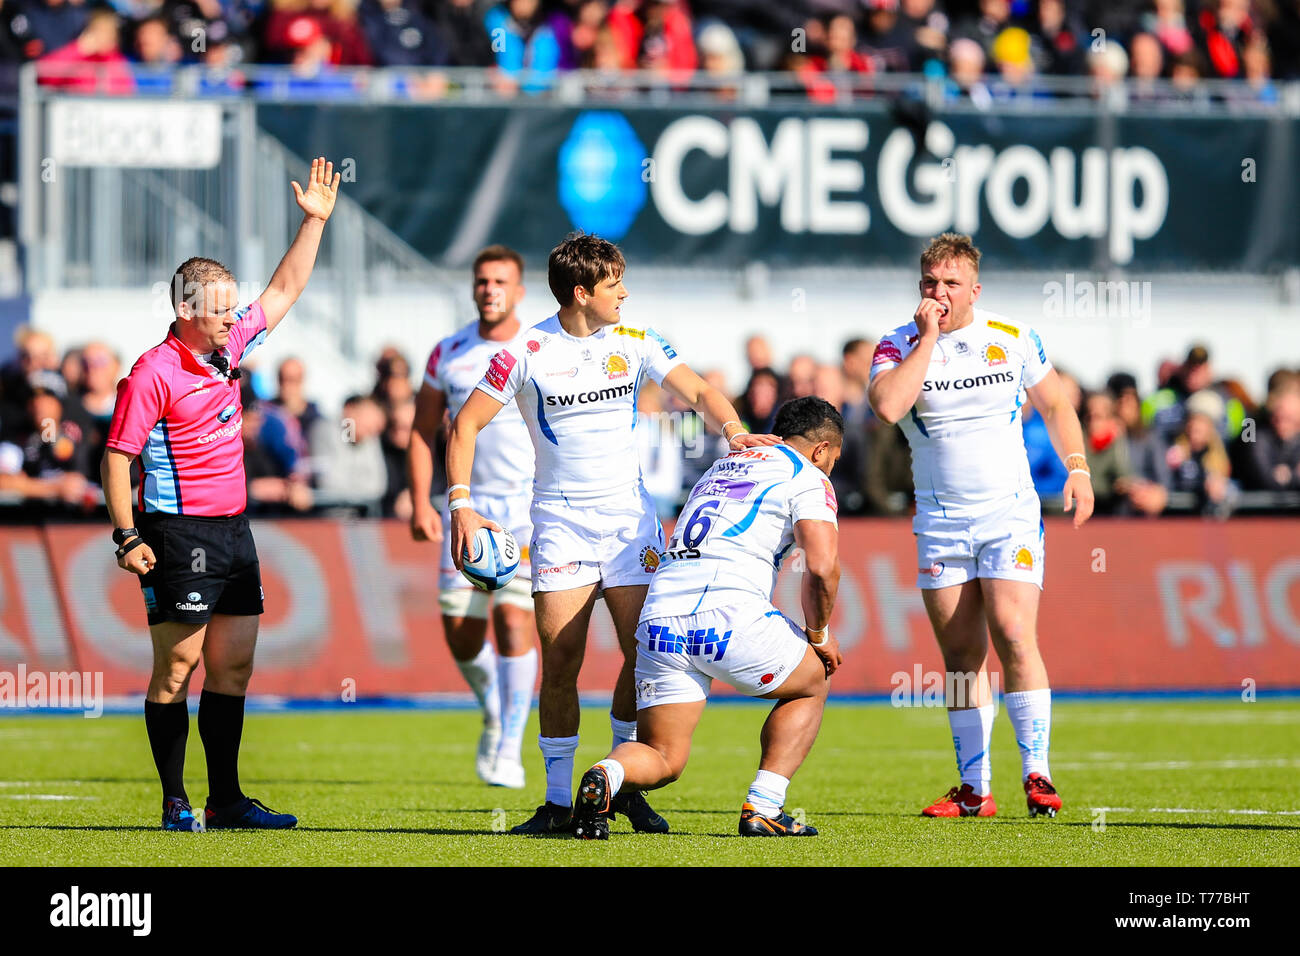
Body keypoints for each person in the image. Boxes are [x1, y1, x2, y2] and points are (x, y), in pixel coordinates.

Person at [446, 231, 778, 835]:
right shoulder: (526, 350)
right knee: (561, 662)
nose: (624, 292)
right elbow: (464, 426)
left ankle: (619, 780)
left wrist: (733, 431)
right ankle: (552, 803)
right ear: (580, 293)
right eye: (612, 284)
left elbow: (699, 389)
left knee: (643, 655)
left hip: (631, 525)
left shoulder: (637, 339)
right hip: (561, 526)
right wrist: (461, 506)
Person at [102, 157, 339, 832]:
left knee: (232, 669)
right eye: (221, 309)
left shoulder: (226, 345)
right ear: (185, 310)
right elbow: (116, 458)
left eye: (235, 307)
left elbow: (286, 289)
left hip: (234, 532)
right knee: (176, 668)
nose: (235, 318)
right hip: (178, 533)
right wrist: (128, 535)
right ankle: (176, 800)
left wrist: (313, 222)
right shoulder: (152, 372)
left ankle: (226, 801)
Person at [867, 232, 1093, 819]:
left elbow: (1056, 405)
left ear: (974, 288)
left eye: (950, 284)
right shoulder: (896, 345)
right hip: (941, 523)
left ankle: (1037, 774)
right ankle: (975, 789)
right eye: (929, 284)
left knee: (1015, 634)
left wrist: (1078, 468)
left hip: (1009, 514)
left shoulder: (1013, 337)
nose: (938, 294)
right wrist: (929, 339)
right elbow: (889, 407)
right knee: (962, 656)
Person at [569, 397, 845, 840]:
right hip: (728, 611)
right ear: (820, 449)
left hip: (661, 617)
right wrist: (819, 634)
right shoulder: (807, 475)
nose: (830, 468)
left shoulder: (724, 464)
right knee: (814, 679)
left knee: (662, 756)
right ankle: (764, 807)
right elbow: (822, 565)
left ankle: (607, 774)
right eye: (832, 459)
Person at [408, 245, 540, 789]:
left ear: (519, 290)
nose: (490, 289)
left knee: (513, 620)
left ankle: (510, 745)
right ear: (473, 288)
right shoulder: (449, 352)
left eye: (500, 281)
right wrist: (421, 501)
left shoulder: (540, 347)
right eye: (482, 281)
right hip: (467, 506)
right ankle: (495, 705)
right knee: (461, 632)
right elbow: (422, 430)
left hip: (529, 509)